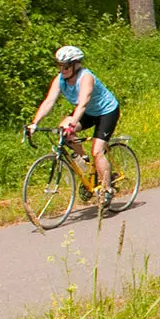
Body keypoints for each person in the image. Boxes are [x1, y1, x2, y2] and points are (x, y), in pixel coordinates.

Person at [27, 45, 121, 207]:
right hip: (88, 113)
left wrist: (72, 123)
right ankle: (84, 161)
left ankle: (107, 189)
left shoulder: (86, 78)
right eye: (59, 66)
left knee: (97, 151)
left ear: (76, 65)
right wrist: (35, 123)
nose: (62, 70)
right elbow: (49, 101)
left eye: (66, 66)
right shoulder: (60, 80)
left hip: (106, 112)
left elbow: (83, 103)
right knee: (64, 131)